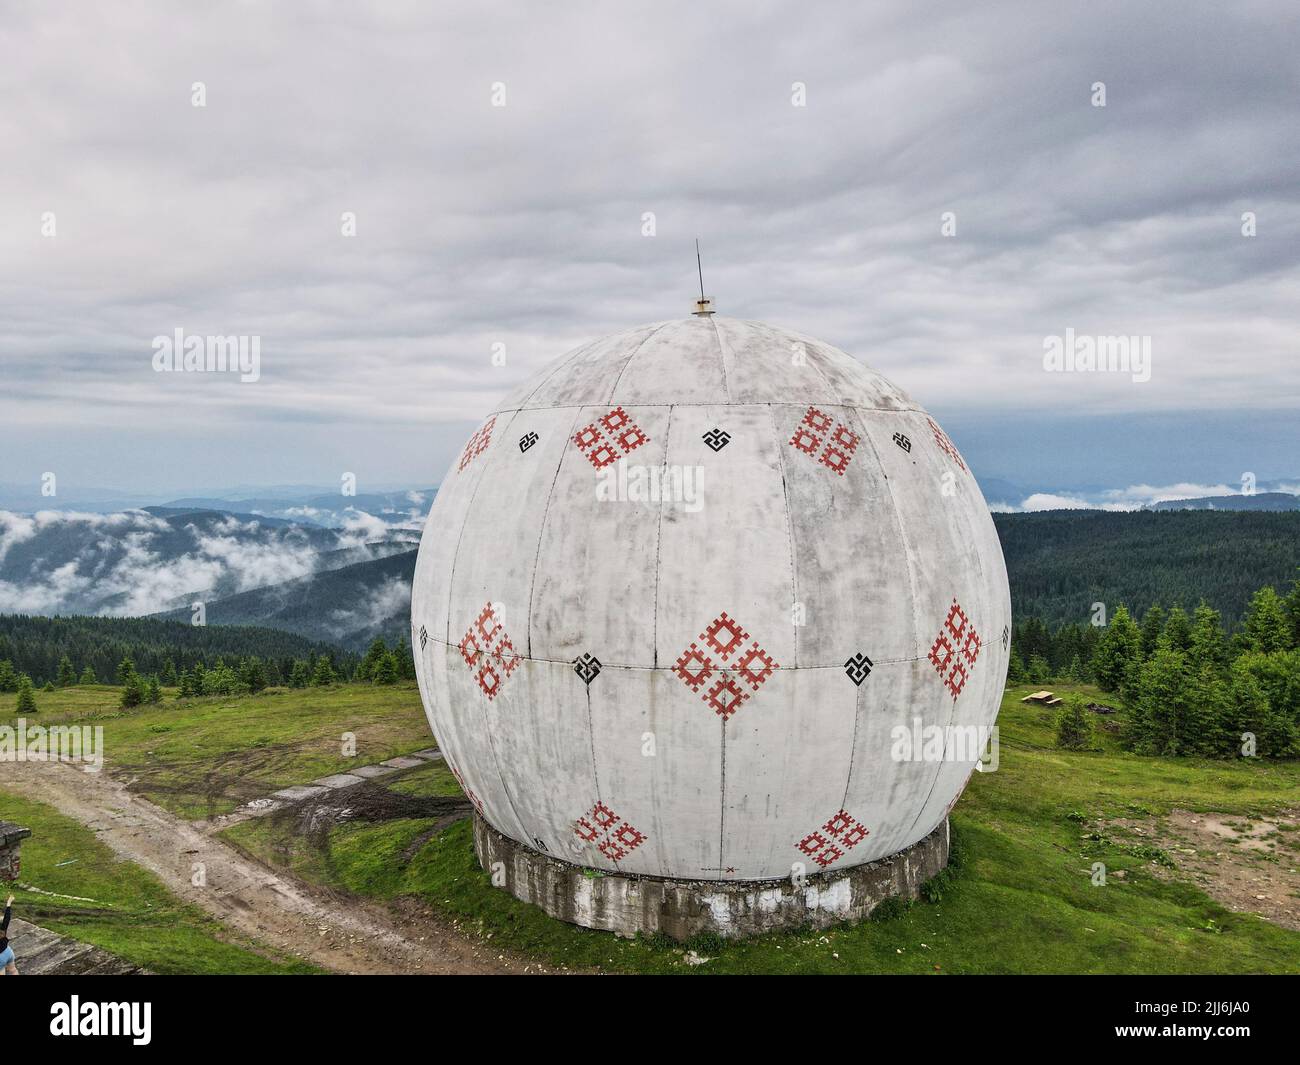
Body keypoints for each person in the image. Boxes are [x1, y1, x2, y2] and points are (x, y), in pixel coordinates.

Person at [0, 894, 16, 975]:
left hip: (0, 958)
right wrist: (9, 903)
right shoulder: (2, 928)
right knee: (13, 970)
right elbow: (7, 918)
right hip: (8, 952)